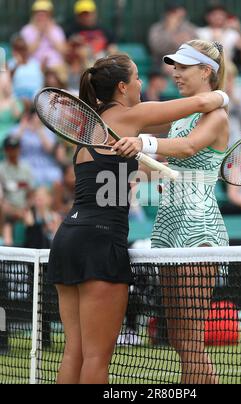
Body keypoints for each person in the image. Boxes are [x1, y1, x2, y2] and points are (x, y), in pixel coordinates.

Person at [46, 52, 228, 384]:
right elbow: (204, 102)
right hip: (100, 243)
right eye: (137, 78)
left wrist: (156, 171)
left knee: (74, 351)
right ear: (122, 86)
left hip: (68, 238)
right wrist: (223, 93)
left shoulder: (96, 123)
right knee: (96, 360)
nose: (141, 84)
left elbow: (114, 181)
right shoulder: (131, 116)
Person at [112, 40, 229, 384]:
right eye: (174, 66)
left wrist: (144, 143)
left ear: (206, 71)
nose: (175, 73)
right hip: (169, 226)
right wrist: (125, 157)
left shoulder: (216, 115)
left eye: (183, 67)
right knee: (179, 338)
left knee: (191, 340)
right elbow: (164, 163)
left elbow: (188, 147)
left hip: (198, 228)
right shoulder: (185, 115)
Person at [197, 5, 241, 73]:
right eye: (215, 15)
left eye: (221, 14)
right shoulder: (201, 31)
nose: (218, 17)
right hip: (209, 66)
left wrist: (238, 29)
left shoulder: (232, 33)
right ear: (207, 17)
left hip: (231, 65)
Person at [0, 136, 33, 247]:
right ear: (5, 150)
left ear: (19, 149)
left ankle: (31, 251)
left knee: (30, 220)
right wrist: (13, 210)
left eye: (15, 148)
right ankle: (7, 252)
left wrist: (26, 207)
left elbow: (31, 193)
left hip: (24, 208)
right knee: (5, 214)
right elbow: (1, 198)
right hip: (7, 209)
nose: (13, 151)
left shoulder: (26, 169)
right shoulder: (1, 169)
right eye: (10, 148)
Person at [148, 0, 198, 70]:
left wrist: (183, 41)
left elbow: (195, 48)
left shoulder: (190, 28)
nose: (175, 14)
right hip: (163, 61)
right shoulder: (157, 28)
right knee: (172, 67)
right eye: (172, 11)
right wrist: (170, 32)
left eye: (178, 10)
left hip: (186, 60)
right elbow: (156, 48)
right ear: (166, 13)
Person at [20, 0, 67, 71]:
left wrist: (48, 33)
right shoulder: (27, 30)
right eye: (38, 14)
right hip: (34, 66)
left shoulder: (57, 29)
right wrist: (39, 34)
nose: (41, 17)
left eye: (44, 14)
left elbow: (63, 51)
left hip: (55, 65)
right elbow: (27, 52)